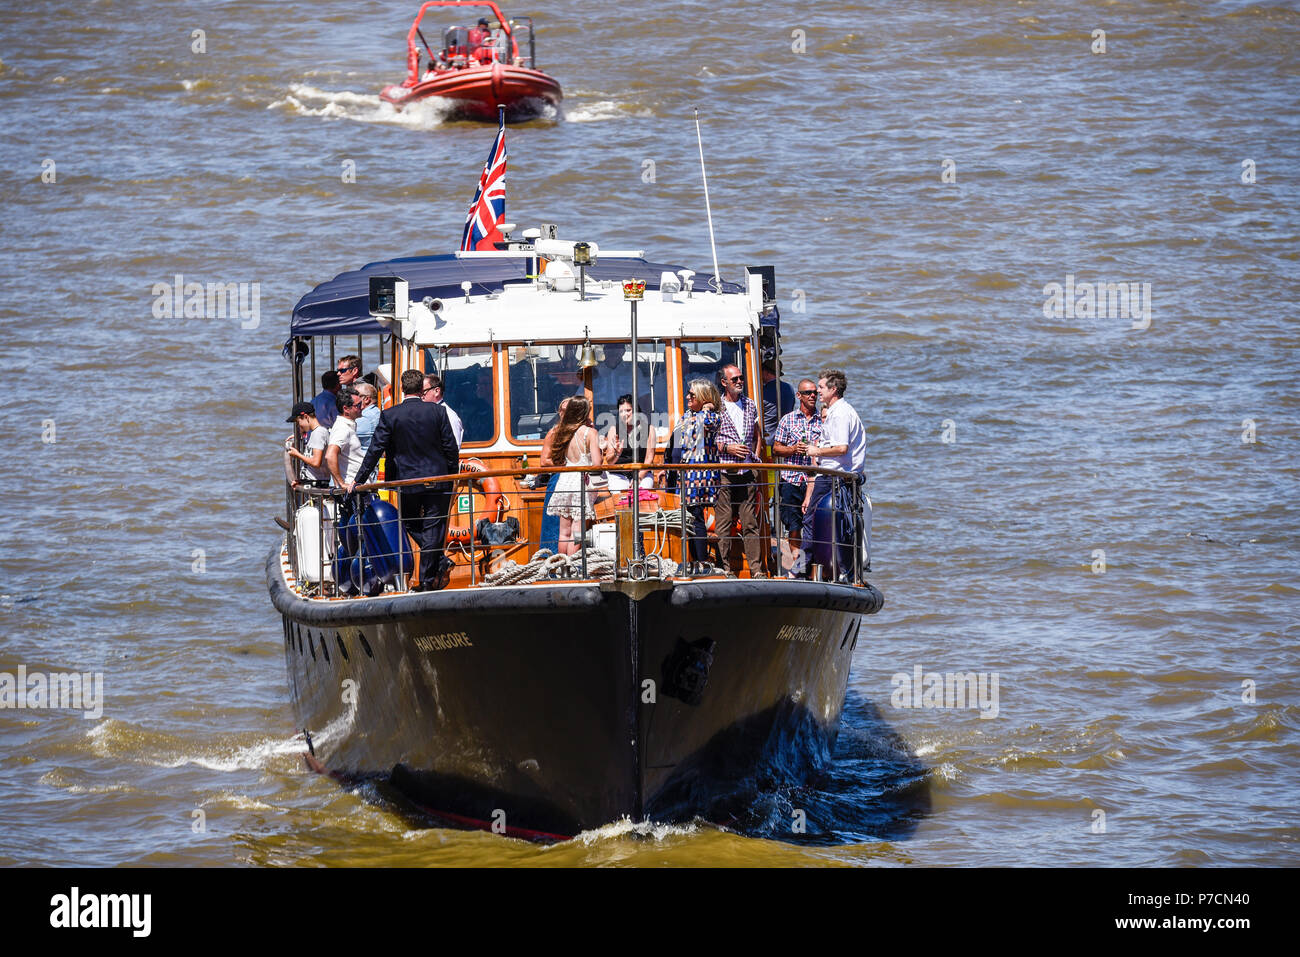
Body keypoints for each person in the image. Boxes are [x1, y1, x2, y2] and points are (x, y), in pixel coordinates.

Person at [347, 369, 460, 592]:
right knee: (433, 528)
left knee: (409, 522)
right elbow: (450, 449)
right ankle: (431, 572)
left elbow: (376, 450)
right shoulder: (438, 412)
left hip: (407, 482)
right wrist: (452, 476)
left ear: (401, 388)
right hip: (438, 479)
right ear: (421, 389)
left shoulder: (390, 415)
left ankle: (429, 576)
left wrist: (358, 480)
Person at [799, 368, 869, 582]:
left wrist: (815, 451)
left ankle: (800, 569)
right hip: (834, 476)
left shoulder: (840, 413)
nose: (818, 391)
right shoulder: (838, 411)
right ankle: (836, 570)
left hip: (832, 477)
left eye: (821, 387)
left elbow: (841, 448)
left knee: (810, 522)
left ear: (833, 389)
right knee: (834, 525)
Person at [713, 363, 766, 577]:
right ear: (724, 382)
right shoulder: (716, 406)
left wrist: (755, 458)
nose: (739, 382)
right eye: (734, 379)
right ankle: (724, 569)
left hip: (747, 472)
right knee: (724, 523)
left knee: (750, 523)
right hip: (725, 471)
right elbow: (709, 440)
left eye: (741, 378)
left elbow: (757, 435)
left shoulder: (750, 405)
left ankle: (757, 570)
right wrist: (727, 447)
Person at [772, 378, 824, 560]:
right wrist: (794, 448)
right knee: (794, 526)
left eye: (815, 393)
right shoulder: (788, 420)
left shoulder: (823, 420)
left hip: (814, 480)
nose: (813, 396)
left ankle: (814, 566)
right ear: (799, 396)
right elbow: (776, 449)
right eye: (808, 393)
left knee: (816, 525)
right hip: (791, 478)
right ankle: (799, 564)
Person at [674, 379, 721, 570]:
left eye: (692, 395)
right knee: (686, 515)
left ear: (702, 397)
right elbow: (677, 441)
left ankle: (701, 561)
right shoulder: (686, 416)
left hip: (699, 473)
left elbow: (707, 423)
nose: (687, 397)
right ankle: (691, 559)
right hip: (683, 472)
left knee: (695, 514)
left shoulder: (712, 417)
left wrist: (708, 408)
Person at [545, 397, 601, 556]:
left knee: (564, 532)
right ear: (585, 412)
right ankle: (575, 568)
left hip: (564, 481)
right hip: (581, 483)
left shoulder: (563, 432)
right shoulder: (590, 433)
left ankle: (563, 567)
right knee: (578, 532)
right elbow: (597, 464)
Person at [602, 394, 654, 493]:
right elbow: (609, 462)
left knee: (642, 494)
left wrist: (638, 478)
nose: (624, 414)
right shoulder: (613, 430)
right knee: (620, 495)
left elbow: (649, 458)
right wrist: (617, 453)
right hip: (618, 474)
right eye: (621, 411)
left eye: (628, 410)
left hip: (642, 472)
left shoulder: (649, 429)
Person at [538, 397, 570, 554]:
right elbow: (544, 461)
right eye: (562, 410)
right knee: (553, 522)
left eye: (568, 410)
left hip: (576, 480)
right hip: (558, 479)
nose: (564, 413)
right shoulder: (554, 433)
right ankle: (550, 557)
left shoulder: (580, 432)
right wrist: (564, 465)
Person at [325, 386, 365, 487]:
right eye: (358, 405)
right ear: (346, 409)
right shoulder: (342, 428)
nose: (363, 407)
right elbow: (330, 456)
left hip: (357, 487)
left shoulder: (347, 425)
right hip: (353, 490)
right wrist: (341, 483)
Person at [285, 401, 330, 488]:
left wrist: (297, 455)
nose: (299, 426)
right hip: (313, 483)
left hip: (318, 485)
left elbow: (316, 462)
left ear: (306, 416)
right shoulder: (315, 433)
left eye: (298, 422)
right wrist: (302, 482)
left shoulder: (319, 433)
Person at [760, 358, 796, 444]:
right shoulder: (789, 388)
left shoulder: (763, 392)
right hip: (785, 437)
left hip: (768, 440)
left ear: (766, 372)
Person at [423, 373, 464, 447]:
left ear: (437, 391)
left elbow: (454, 447)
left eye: (423, 392)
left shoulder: (450, 416)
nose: (421, 396)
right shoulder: (425, 413)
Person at [353, 381, 380, 454]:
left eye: (356, 394)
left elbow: (346, 434)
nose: (352, 397)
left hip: (364, 461)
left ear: (366, 399)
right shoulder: (376, 411)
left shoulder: (366, 417)